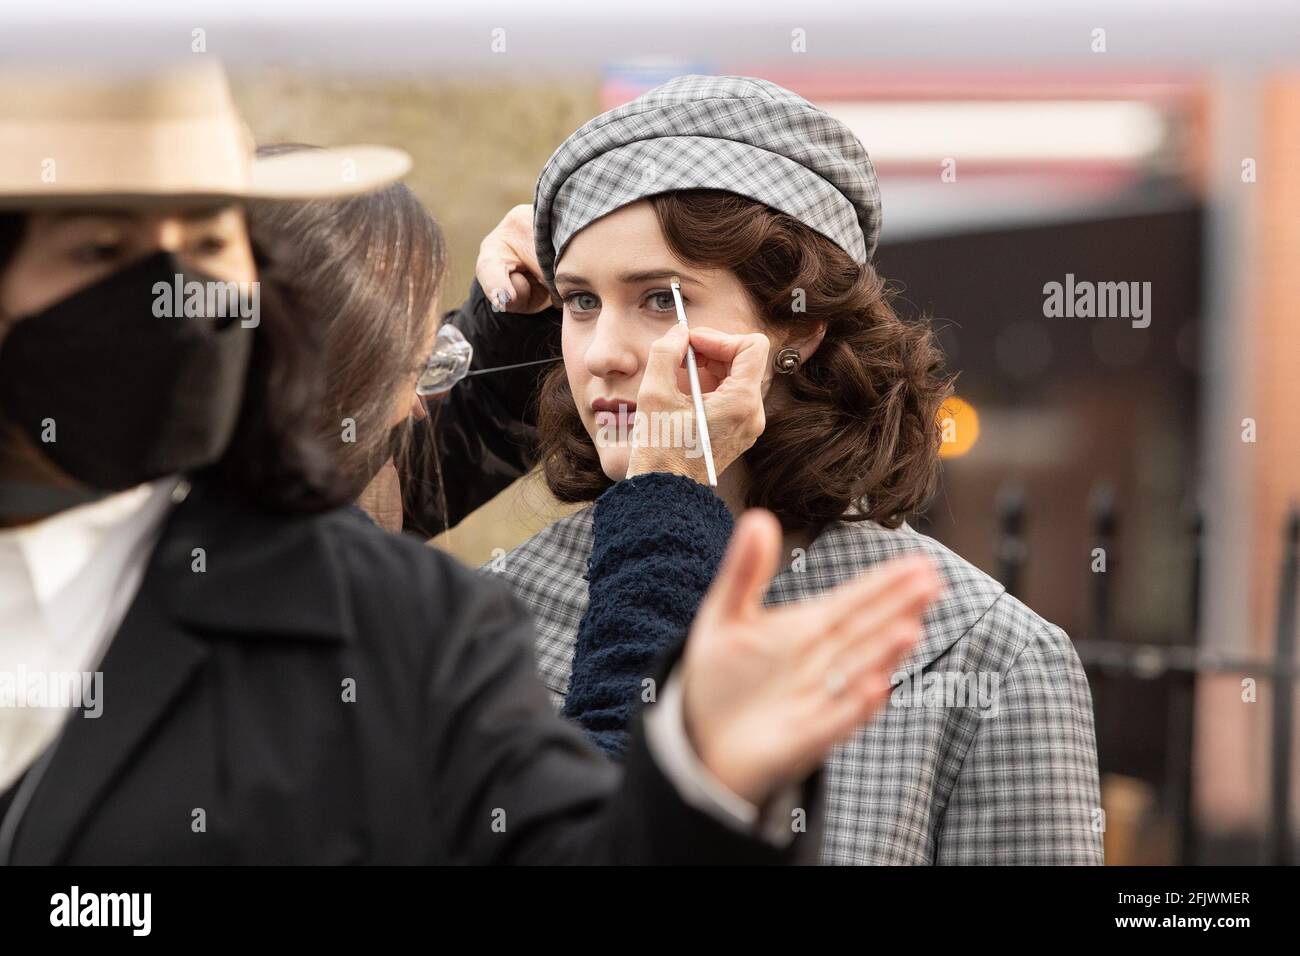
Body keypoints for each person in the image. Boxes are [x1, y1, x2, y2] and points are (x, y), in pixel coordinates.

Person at [0, 63, 941, 864]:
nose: (183, 297)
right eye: (101, 248)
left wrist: (696, 780)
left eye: (211, 243)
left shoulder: (408, 625)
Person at [489, 75, 1105, 865]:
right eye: (580, 302)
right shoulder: (492, 615)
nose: (604, 353)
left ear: (800, 325)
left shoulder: (992, 658)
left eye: (660, 301)